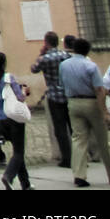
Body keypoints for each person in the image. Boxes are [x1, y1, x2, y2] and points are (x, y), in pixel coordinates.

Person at [59, 37, 110, 187]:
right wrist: (105, 112)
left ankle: (79, 175)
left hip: (73, 102)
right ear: (87, 51)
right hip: (91, 102)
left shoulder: (64, 65)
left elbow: (62, 83)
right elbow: (99, 90)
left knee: (78, 139)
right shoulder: (91, 66)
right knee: (102, 140)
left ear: (74, 49)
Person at [0, 51, 31, 190]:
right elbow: (20, 97)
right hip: (14, 117)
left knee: (17, 151)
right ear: (5, 62)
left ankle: (25, 183)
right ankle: (8, 176)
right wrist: (25, 92)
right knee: (19, 152)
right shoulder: (8, 77)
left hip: (0, 117)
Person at [31, 29, 73, 168]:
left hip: (54, 95)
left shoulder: (45, 58)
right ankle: (79, 155)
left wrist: (41, 53)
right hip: (68, 93)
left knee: (60, 129)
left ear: (46, 43)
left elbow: (34, 69)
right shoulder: (66, 55)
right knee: (72, 127)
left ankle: (67, 158)